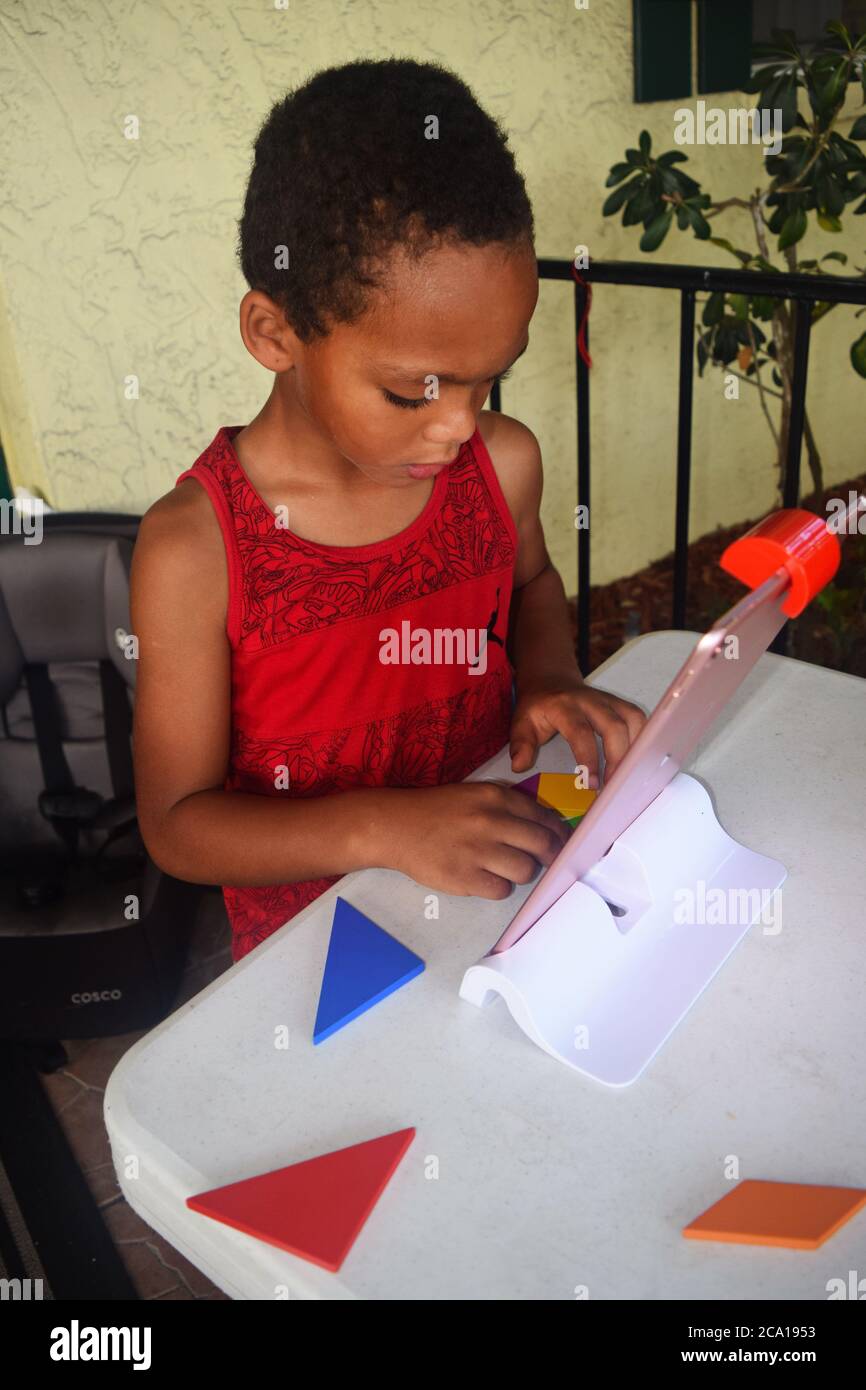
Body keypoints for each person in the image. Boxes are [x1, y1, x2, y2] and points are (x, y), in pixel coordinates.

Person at [130, 58, 646, 962]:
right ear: (274, 333)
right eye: (414, 394)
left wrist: (553, 675)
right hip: (322, 948)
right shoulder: (198, 549)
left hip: (500, 887)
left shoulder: (503, 463)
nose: (459, 427)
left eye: (494, 378)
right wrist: (387, 830)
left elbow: (531, 584)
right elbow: (178, 827)